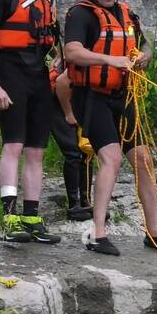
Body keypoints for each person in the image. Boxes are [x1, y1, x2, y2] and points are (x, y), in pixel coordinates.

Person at [63, 0, 157, 257]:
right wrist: (109, 59)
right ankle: (97, 232)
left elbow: (146, 46)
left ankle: (153, 232)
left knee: (143, 160)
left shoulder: (127, 14)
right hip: (92, 96)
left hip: (124, 95)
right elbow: (72, 52)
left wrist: (143, 56)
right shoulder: (81, 14)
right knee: (112, 158)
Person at [0, 0, 61, 244]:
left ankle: (32, 217)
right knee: (13, 144)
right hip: (10, 71)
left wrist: (57, 59)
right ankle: (9, 218)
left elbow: (46, 34)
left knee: (36, 150)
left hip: (38, 74)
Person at [49, 58, 93, 221]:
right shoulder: (84, 59)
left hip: (77, 101)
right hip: (57, 101)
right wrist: (69, 113)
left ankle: (86, 202)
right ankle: (74, 205)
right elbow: (61, 82)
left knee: (87, 150)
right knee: (73, 151)